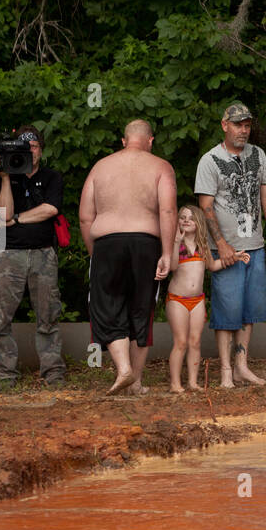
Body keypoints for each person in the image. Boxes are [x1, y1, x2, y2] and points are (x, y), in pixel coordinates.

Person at [79, 119, 175, 394]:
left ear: (124, 141)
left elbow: (86, 217)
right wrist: (167, 253)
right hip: (146, 242)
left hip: (108, 243)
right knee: (141, 309)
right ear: (150, 141)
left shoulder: (101, 167)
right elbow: (168, 212)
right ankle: (137, 382)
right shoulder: (160, 166)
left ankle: (123, 369)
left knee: (108, 304)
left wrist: (94, 253)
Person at [195, 102, 266, 388]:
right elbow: (205, 206)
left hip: (254, 244)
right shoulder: (210, 160)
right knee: (226, 310)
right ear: (224, 125)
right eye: (237, 125)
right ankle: (225, 372)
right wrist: (221, 243)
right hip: (226, 249)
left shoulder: (258, 154)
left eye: (246, 125)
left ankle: (242, 365)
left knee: (250, 309)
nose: (243, 130)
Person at [0, 124, 66, 388]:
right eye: (24, 147)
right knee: (1, 317)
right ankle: (5, 375)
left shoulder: (52, 176)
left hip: (44, 254)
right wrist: (7, 177)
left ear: (41, 150)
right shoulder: (3, 178)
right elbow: (2, 215)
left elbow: (50, 209)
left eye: (34, 147)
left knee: (48, 315)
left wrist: (19, 218)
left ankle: (53, 373)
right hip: (8, 255)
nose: (29, 152)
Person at [164, 203, 249, 392]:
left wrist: (233, 258)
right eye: (183, 217)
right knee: (181, 342)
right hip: (178, 299)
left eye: (190, 218)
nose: (186, 220)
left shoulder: (202, 245)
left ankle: (193, 382)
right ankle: (175, 384)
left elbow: (212, 266)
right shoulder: (175, 243)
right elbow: (173, 268)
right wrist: (177, 241)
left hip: (197, 300)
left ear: (198, 223)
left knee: (195, 341)